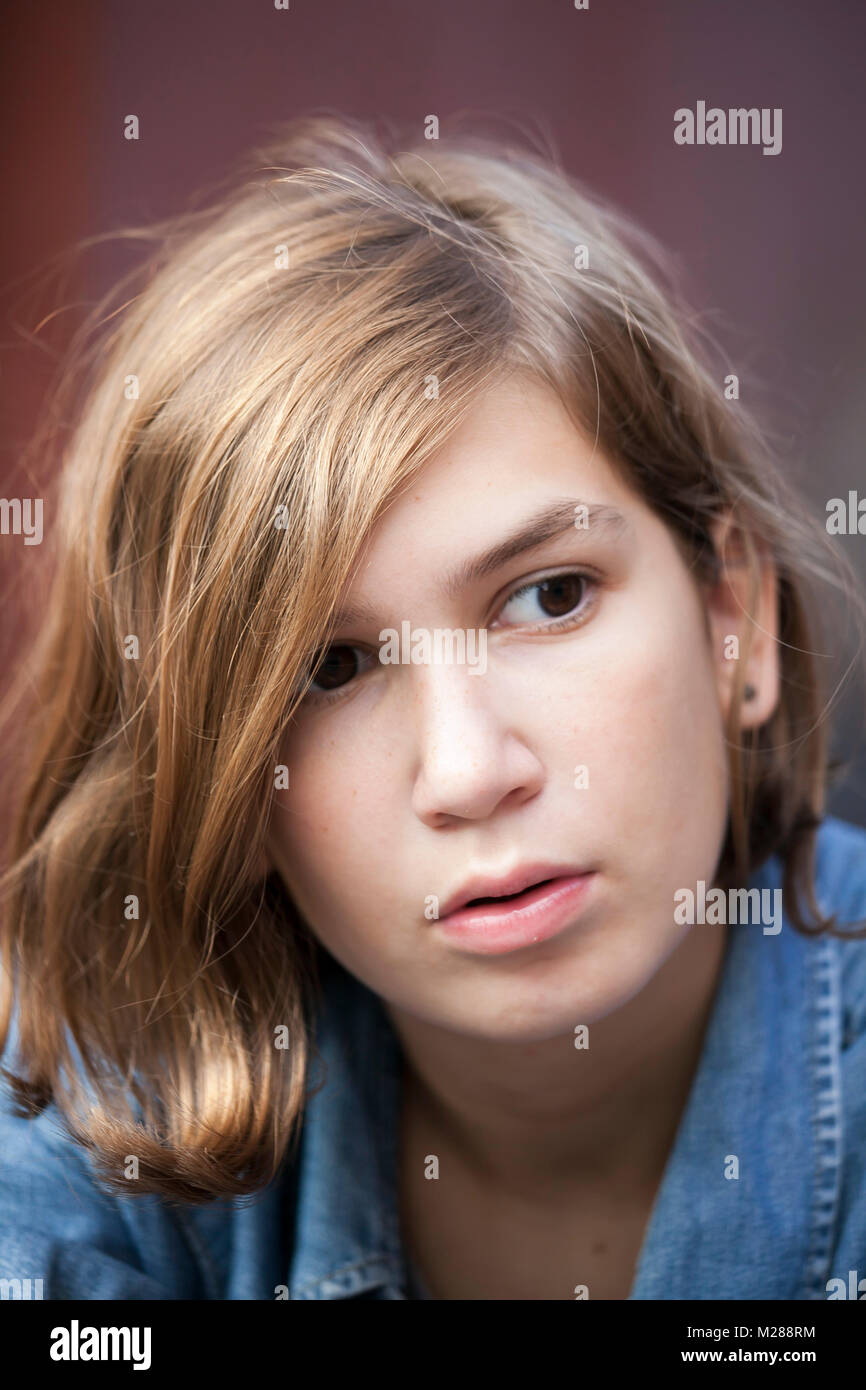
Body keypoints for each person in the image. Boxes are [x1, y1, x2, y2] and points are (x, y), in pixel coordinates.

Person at [1, 115, 865, 1301]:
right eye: (329, 670)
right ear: (220, 784)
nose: (468, 770)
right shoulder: (97, 1125)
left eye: (548, 597)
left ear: (734, 620)